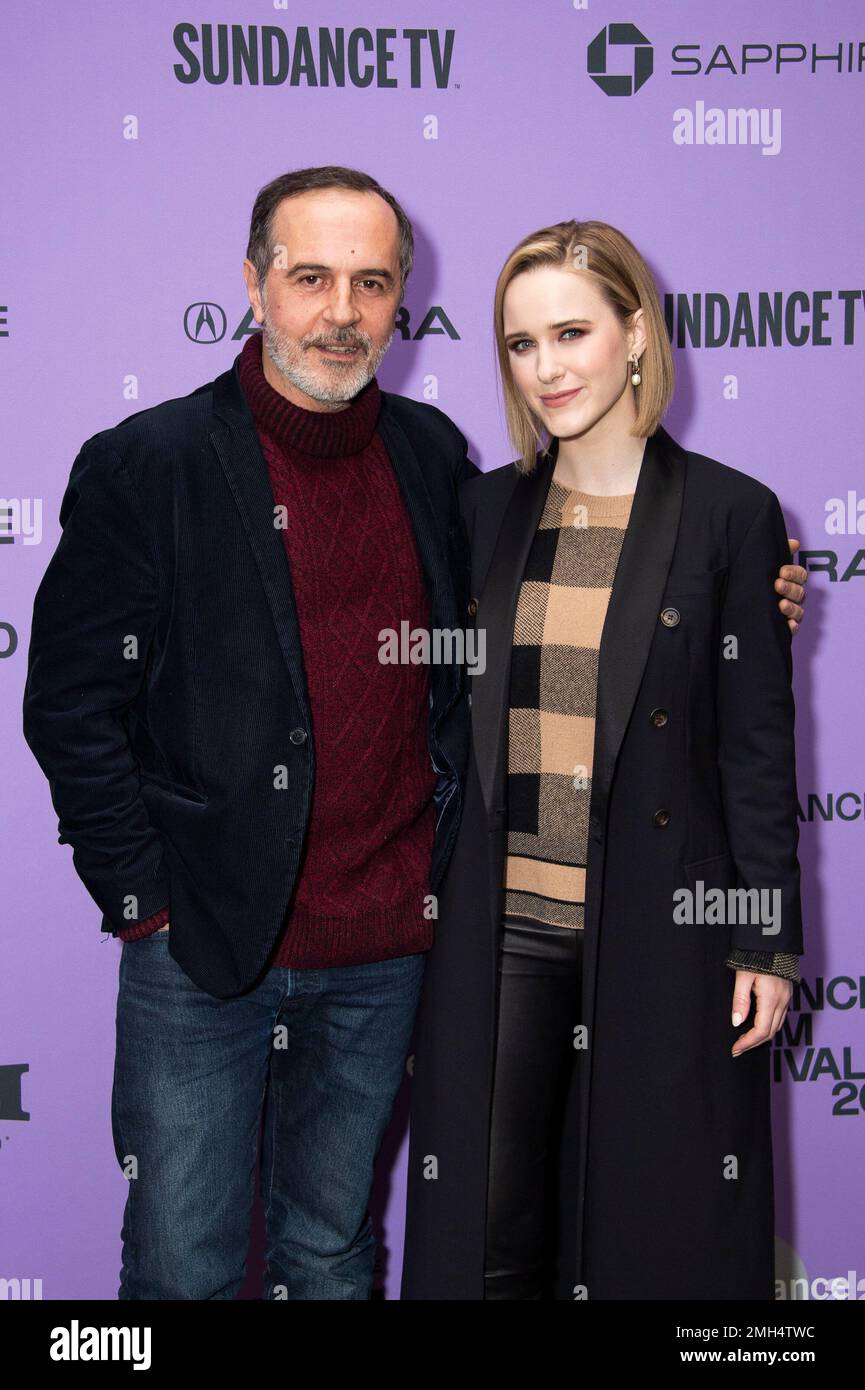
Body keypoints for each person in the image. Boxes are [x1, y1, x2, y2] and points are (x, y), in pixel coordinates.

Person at [22, 171, 805, 1301]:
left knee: (334, 1255)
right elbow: (69, 703)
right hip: (210, 950)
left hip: (393, 947)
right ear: (253, 286)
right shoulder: (160, 463)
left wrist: (755, 595)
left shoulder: (440, 466)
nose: (341, 310)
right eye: (310, 278)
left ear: (400, 304)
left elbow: (689, 677)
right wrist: (143, 895)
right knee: (183, 1264)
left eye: (372, 283)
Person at [401, 219, 805, 1302]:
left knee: (652, 1239)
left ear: (636, 333)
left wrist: (765, 937)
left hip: (656, 928)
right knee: (491, 1241)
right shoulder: (480, 509)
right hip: (500, 933)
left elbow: (757, 747)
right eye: (520, 344)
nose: (546, 368)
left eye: (570, 332)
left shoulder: (730, 516)